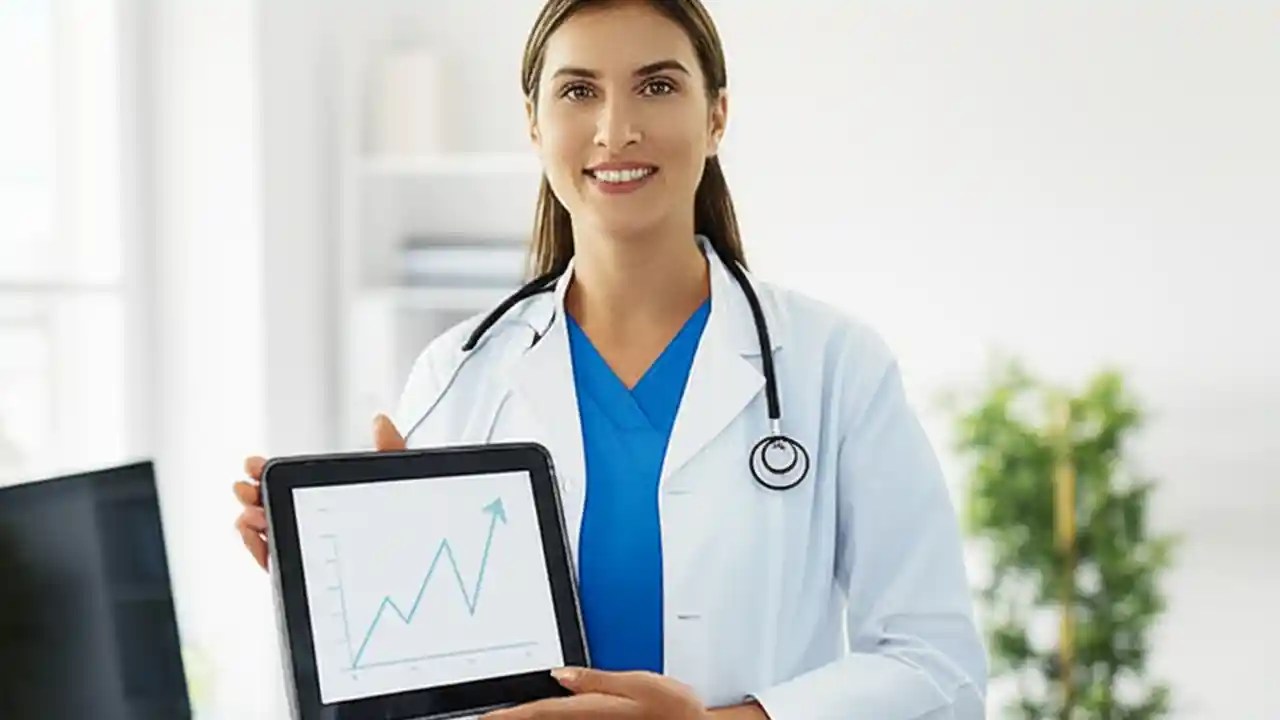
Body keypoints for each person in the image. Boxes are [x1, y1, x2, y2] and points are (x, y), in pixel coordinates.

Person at [234, 0, 988, 717]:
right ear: (533, 123)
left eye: (657, 86)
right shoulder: (457, 373)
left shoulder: (834, 366)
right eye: (578, 91)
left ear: (716, 115)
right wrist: (345, 597)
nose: (616, 128)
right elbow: (429, 681)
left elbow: (936, 664)